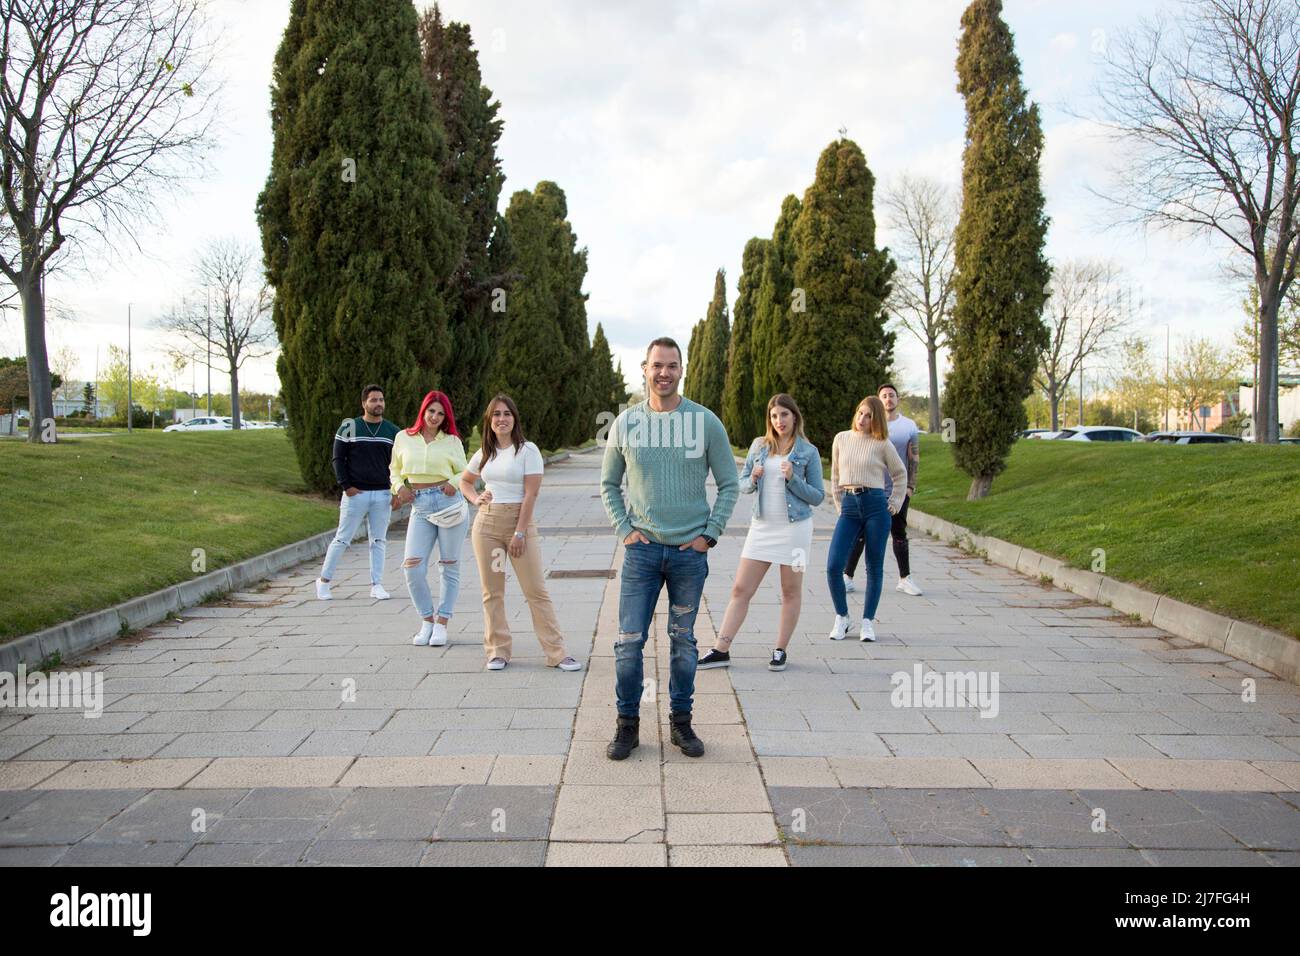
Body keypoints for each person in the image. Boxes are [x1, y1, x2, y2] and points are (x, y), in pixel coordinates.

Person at [600, 337, 739, 760]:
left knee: (683, 642)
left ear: (682, 370)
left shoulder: (706, 422)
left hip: (687, 555)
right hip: (641, 552)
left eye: (672, 365)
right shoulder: (626, 423)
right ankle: (627, 726)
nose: (664, 373)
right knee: (628, 642)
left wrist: (709, 534)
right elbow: (609, 484)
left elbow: (730, 484)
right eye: (657, 365)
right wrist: (625, 529)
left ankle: (681, 724)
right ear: (645, 368)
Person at [697, 394, 823, 672]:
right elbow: (742, 485)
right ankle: (721, 649)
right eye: (775, 416)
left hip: (797, 531)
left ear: (795, 416)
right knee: (741, 588)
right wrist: (752, 478)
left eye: (784, 415)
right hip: (762, 528)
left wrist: (793, 479)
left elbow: (817, 496)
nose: (779, 421)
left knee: (790, 591)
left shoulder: (808, 452)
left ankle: (780, 650)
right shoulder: (759, 446)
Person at [460, 394, 582, 673]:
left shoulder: (528, 451)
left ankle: (557, 653)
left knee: (535, 591)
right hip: (487, 527)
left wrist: (519, 533)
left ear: (515, 419)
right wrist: (475, 498)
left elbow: (531, 493)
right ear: (489, 421)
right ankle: (497, 651)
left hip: (519, 525)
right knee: (493, 592)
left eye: (506, 414)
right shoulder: (484, 453)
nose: (501, 419)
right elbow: (465, 481)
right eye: (496, 415)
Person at [390, 390, 469, 647]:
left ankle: (442, 623)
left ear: (446, 417)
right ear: (423, 411)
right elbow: (394, 470)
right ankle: (427, 621)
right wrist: (398, 487)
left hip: (448, 504)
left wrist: (454, 483)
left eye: (440, 413)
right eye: (431, 411)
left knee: (449, 566)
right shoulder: (404, 437)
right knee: (412, 567)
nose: (434, 417)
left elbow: (465, 472)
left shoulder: (452, 441)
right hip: (419, 506)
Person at [826, 395, 907, 643]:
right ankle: (842, 616)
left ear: (877, 419)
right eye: (860, 413)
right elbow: (836, 476)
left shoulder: (882, 443)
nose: (862, 419)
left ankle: (868, 622)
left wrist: (894, 503)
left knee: (874, 566)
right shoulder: (841, 438)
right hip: (850, 505)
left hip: (875, 506)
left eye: (869, 415)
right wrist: (841, 506)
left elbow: (900, 474)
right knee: (833, 566)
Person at [317, 384, 400, 601]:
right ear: (364, 403)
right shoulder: (349, 426)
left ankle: (377, 585)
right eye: (373, 400)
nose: (378, 403)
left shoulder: (393, 431)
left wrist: (396, 491)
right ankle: (324, 581)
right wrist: (346, 486)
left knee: (378, 540)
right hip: (356, 494)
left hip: (382, 494)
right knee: (343, 538)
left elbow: (399, 464)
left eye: (381, 399)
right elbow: (338, 458)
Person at [843, 383, 922, 597]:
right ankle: (847, 576)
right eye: (884, 396)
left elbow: (914, 457)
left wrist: (909, 487)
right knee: (861, 534)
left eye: (892, 395)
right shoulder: (869, 424)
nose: (888, 399)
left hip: (897, 490)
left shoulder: (908, 426)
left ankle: (905, 578)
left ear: (898, 399)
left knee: (898, 532)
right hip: (871, 489)